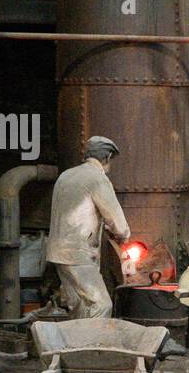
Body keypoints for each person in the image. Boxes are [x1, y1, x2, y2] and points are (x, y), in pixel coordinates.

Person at [47, 136, 130, 319]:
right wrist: (123, 235)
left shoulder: (66, 175)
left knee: (80, 308)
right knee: (101, 305)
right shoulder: (97, 179)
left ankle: (75, 345)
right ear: (107, 157)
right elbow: (118, 222)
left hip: (57, 252)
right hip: (78, 254)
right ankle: (93, 346)